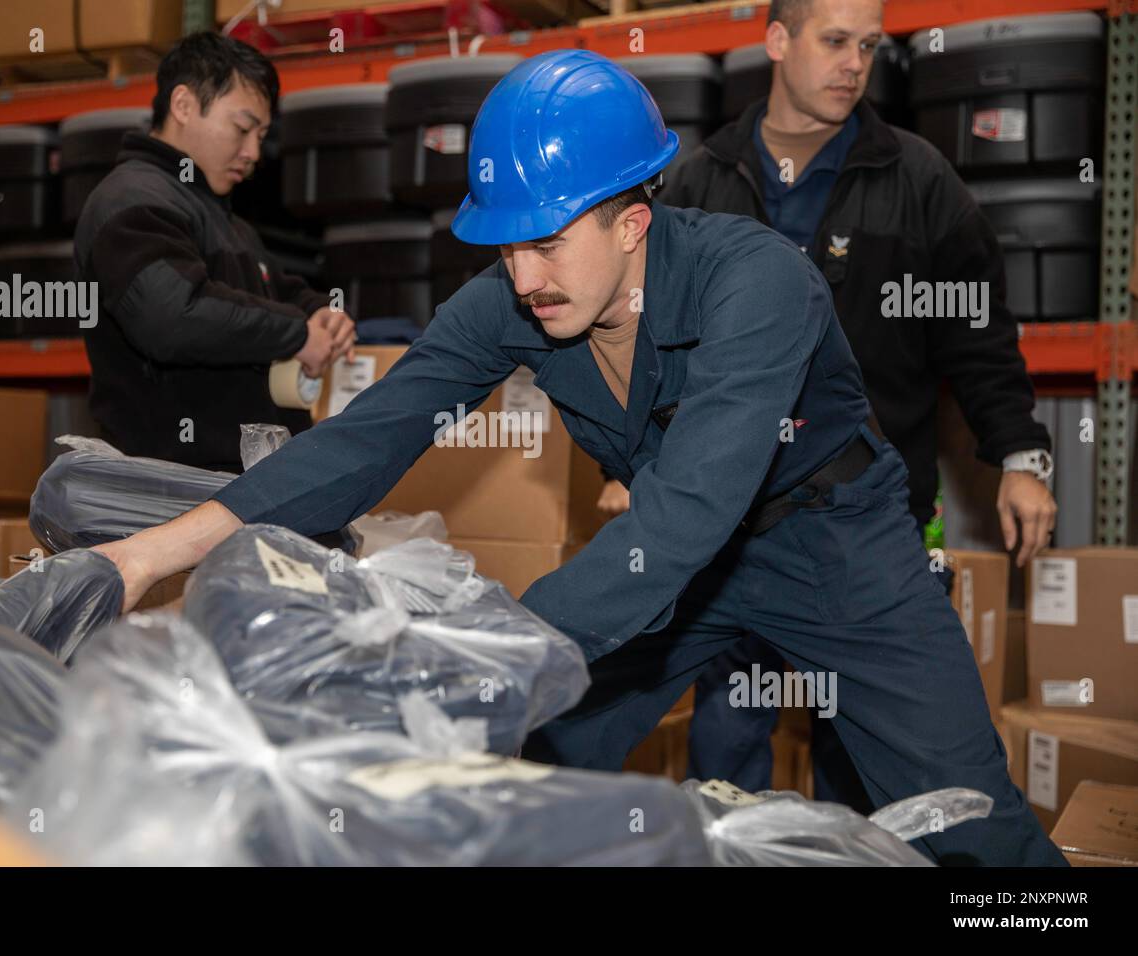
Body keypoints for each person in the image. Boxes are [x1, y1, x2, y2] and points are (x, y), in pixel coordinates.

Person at [95, 48, 1065, 865]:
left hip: (836, 547)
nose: (522, 277)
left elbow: (695, 502)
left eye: (548, 244)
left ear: (631, 221)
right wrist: (139, 557)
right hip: (660, 565)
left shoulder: (758, 283)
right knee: (515, 750)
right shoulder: (519, 294)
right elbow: (365, 438)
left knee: (970, 818)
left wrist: (492, 652)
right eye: (504, 246)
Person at [657, 0, 1056, 811]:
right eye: (835, 41)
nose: (855, 63)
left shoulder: (917, 180)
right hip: (731, 525)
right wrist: (629, 464)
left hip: (869, 520)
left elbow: (975, 331)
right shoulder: (699, 183)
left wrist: (1020, 456)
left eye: (869, 47)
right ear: (777, 40)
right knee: (728, 751)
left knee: (871, 761)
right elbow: (653, 345)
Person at [75, 32, 355, 473]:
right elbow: (172, 317)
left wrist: (322, 314)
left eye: (262, 135)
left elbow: (275, 291)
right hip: (171, 491)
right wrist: (299, 334)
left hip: (236, 487)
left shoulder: (226, 221)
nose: (253, 153)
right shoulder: (131, 201)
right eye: (243, 129)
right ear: (183, 105)